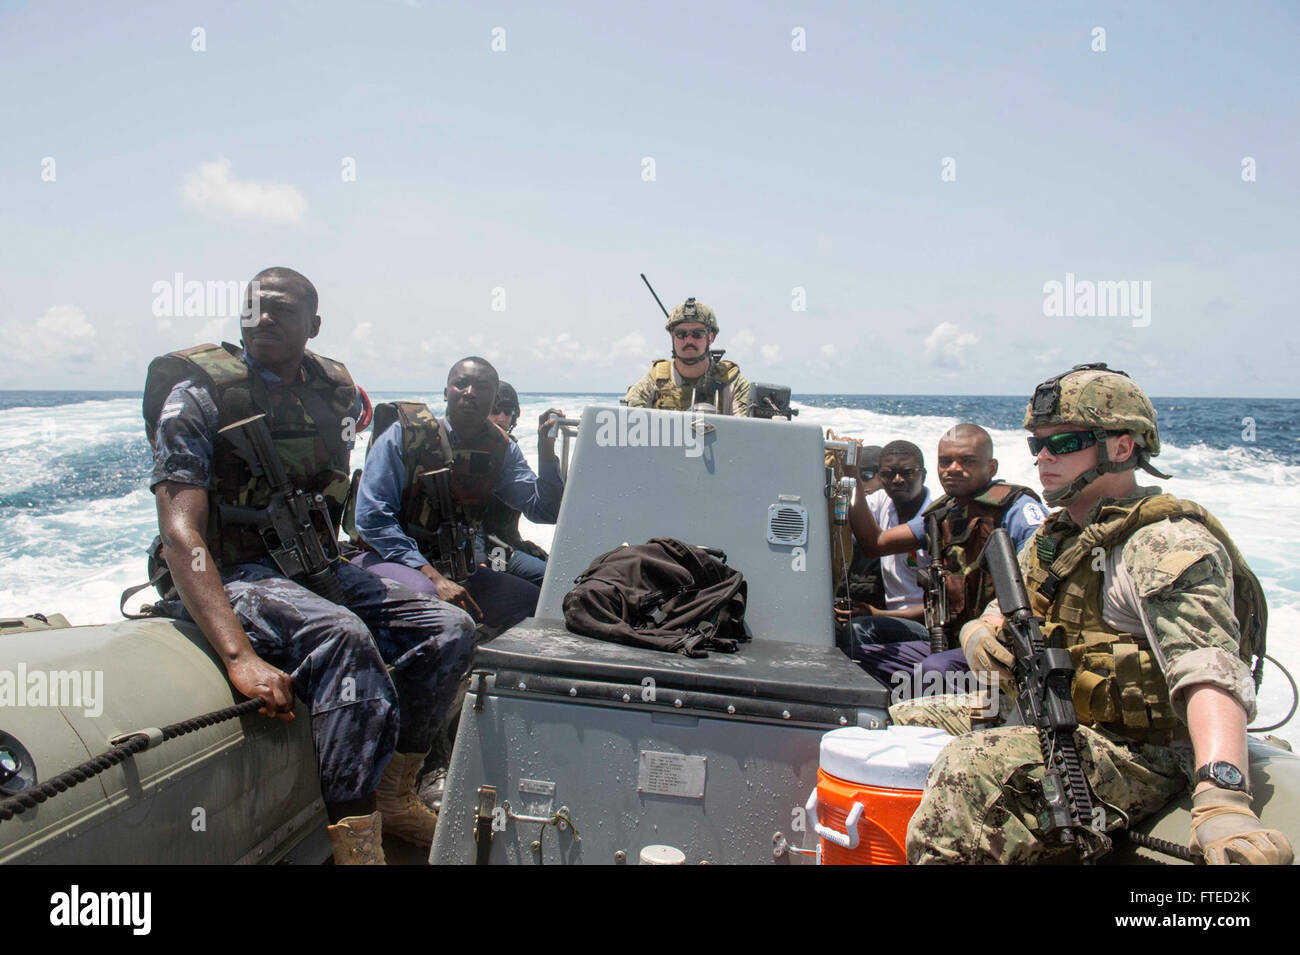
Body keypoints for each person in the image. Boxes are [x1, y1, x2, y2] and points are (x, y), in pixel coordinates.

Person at [895, 363, 1293, 866]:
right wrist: (978, 639)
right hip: (1056, 719)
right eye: (1035, 444)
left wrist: (1224, 798)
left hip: (1143, 751)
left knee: (972, 770)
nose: (1042, 458)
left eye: (1062, 443)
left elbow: (1208, 671)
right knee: (901, 715)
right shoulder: (1056, 537)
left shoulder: (1162, 544)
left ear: (1122, 447)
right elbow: (996, 616)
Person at [145, 267, 474, 865]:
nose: (265, 317)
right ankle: (355, 841)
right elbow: (180, 531)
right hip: (230, 571)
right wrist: (239, 656)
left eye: (283, 309)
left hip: (309, 564)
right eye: (254, 306)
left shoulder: (332, 393)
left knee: (448, 631)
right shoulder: (200, 395)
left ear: (313, 325)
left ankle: (396, 793)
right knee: (342, 636)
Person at [353, 357, 565, 635]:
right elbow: (372, 520)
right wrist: (430, 573)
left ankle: (480, 663)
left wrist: (546, 453)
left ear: (493, 397)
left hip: (455, 568)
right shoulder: (404, 435)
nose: (470, 392)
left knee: (534, 603)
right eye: (461, 384)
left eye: (482, 386)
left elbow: (543, 511)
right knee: (435, 603)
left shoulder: (500, 448)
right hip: (391, 559)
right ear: (446, 392)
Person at [845, 425, 1046, 694]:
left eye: (967, 461)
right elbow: (875, 543)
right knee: (854, 656)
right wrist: (851, 475)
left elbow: (1040, 581)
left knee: (935, 669)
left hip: (999, 649)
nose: (952, 468)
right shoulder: (944, 514)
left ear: (992, 467)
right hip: (951, 642)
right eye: (945, 461)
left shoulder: (1017, 510)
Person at [836, 440, 932, 673]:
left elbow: (938, 608)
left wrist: (878, 614)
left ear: (924, 475)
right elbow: (841, 508)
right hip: (893, 616)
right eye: (889, 474)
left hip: (925, 623)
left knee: (858, 631)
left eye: (907, 472)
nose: (898, 479)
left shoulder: (933, 519)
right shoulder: (882, 502)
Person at [477, 381, 551, 587]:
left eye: (507, 412)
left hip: (508, 546)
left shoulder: (510, 452)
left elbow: (545, 508)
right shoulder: (472, 452)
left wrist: (546, 448)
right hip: (491, 554)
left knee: (562, 570)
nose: (501, 418)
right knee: (552, 580)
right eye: (495, 410)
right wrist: (478, 561)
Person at [623, 298, 750, 415]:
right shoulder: (656, 381)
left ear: (710, 337)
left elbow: (750, 430)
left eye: (697, 334)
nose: (689, 340)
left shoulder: (731, 382)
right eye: (681, 334)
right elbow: (628, 421)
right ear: (672, 337)